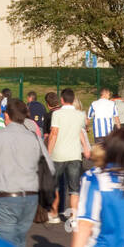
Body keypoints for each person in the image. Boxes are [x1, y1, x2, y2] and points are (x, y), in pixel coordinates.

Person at [0, 99, 52, 247]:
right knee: (18, 241)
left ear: (6, 116)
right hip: (29, 199)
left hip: (5, 197)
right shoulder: (33, 137)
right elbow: (49, 167)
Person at [46, 88, 91, 229]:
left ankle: (54, 214)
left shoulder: (57, 114)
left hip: (58, 154)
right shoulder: (79, 115)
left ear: (62, 100)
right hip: (74, 154)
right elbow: (80, 133)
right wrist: (86, 147)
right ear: (73, 99)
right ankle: (74, 217)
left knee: (54, 185)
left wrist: (48, 151)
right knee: (74, 188)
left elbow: (54, 133)